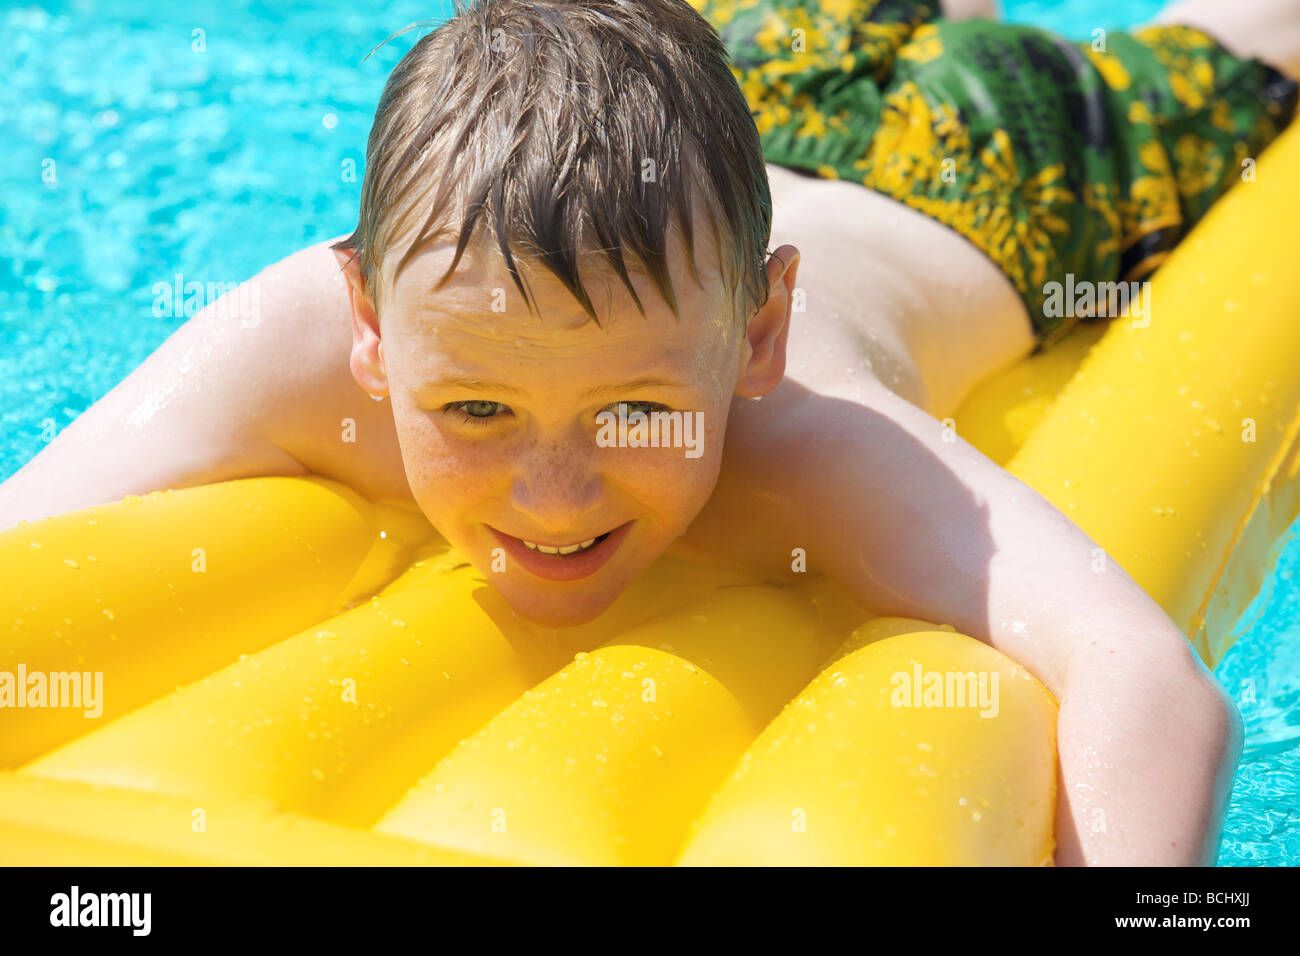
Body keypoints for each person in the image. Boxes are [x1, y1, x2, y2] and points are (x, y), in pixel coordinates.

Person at [3, 0, 1298, 864]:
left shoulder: (809, 439)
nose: (554, 497)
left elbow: (1153, 686)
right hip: (741, 67)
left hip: (968, 164)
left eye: (635, 411)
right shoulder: (295, 339)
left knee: (1244, 53)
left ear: (757, 334)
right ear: (369, 323)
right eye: (474, 412)